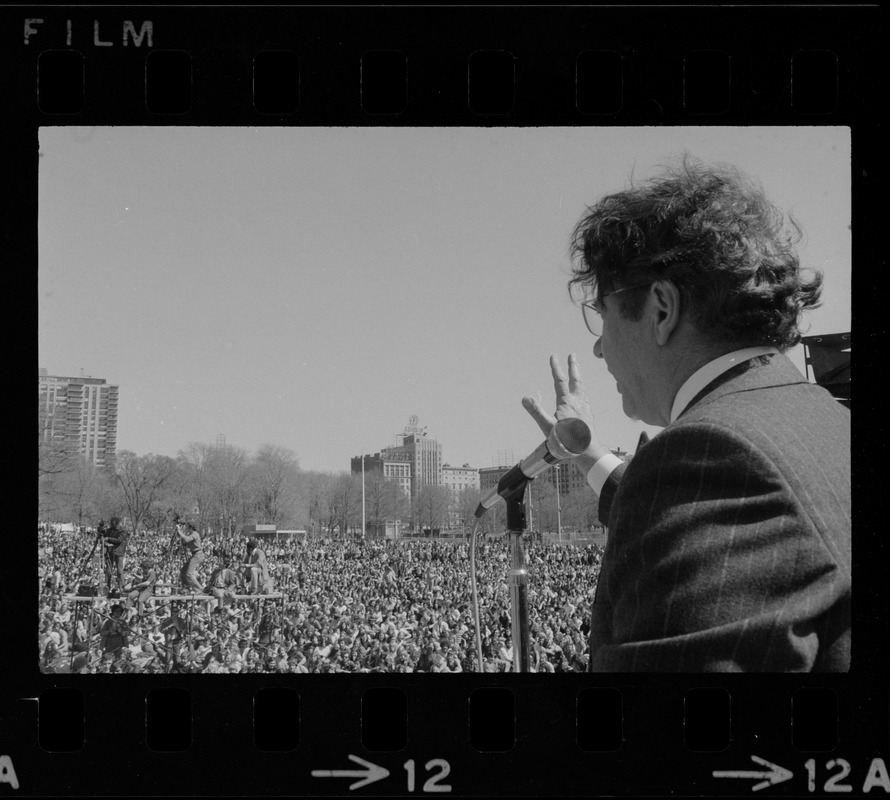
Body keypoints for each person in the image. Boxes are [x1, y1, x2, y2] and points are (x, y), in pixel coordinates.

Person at [521, 157, 850, 672]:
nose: (601, 351)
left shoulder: (713, 458)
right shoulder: (822, 418)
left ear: (661, 308)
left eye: (601, 316)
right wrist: (586, 451)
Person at [175, 517, 205, 593]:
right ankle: (187, 587)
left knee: (189, 574)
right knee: (183, 571)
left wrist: (179, 530)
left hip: (198, 555)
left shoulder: (195, 534)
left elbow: (187, 539)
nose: (187, 528)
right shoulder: (191, 534)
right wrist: (179, 532)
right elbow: (184, 541)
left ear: (190, 527)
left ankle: (200, 589)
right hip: (194, 555)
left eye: (187, 527)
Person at [102, 517, 129, 594]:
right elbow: (105, 534)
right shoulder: (111, 530)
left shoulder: (123, 530)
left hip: (119, 553)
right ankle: (107, 587)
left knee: (120, 571)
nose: (110, 524)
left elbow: (119, 540)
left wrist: (108, 539)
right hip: (110, 552)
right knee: (108, 571)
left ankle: (121, 588)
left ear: (115, 523)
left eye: (112, 523)